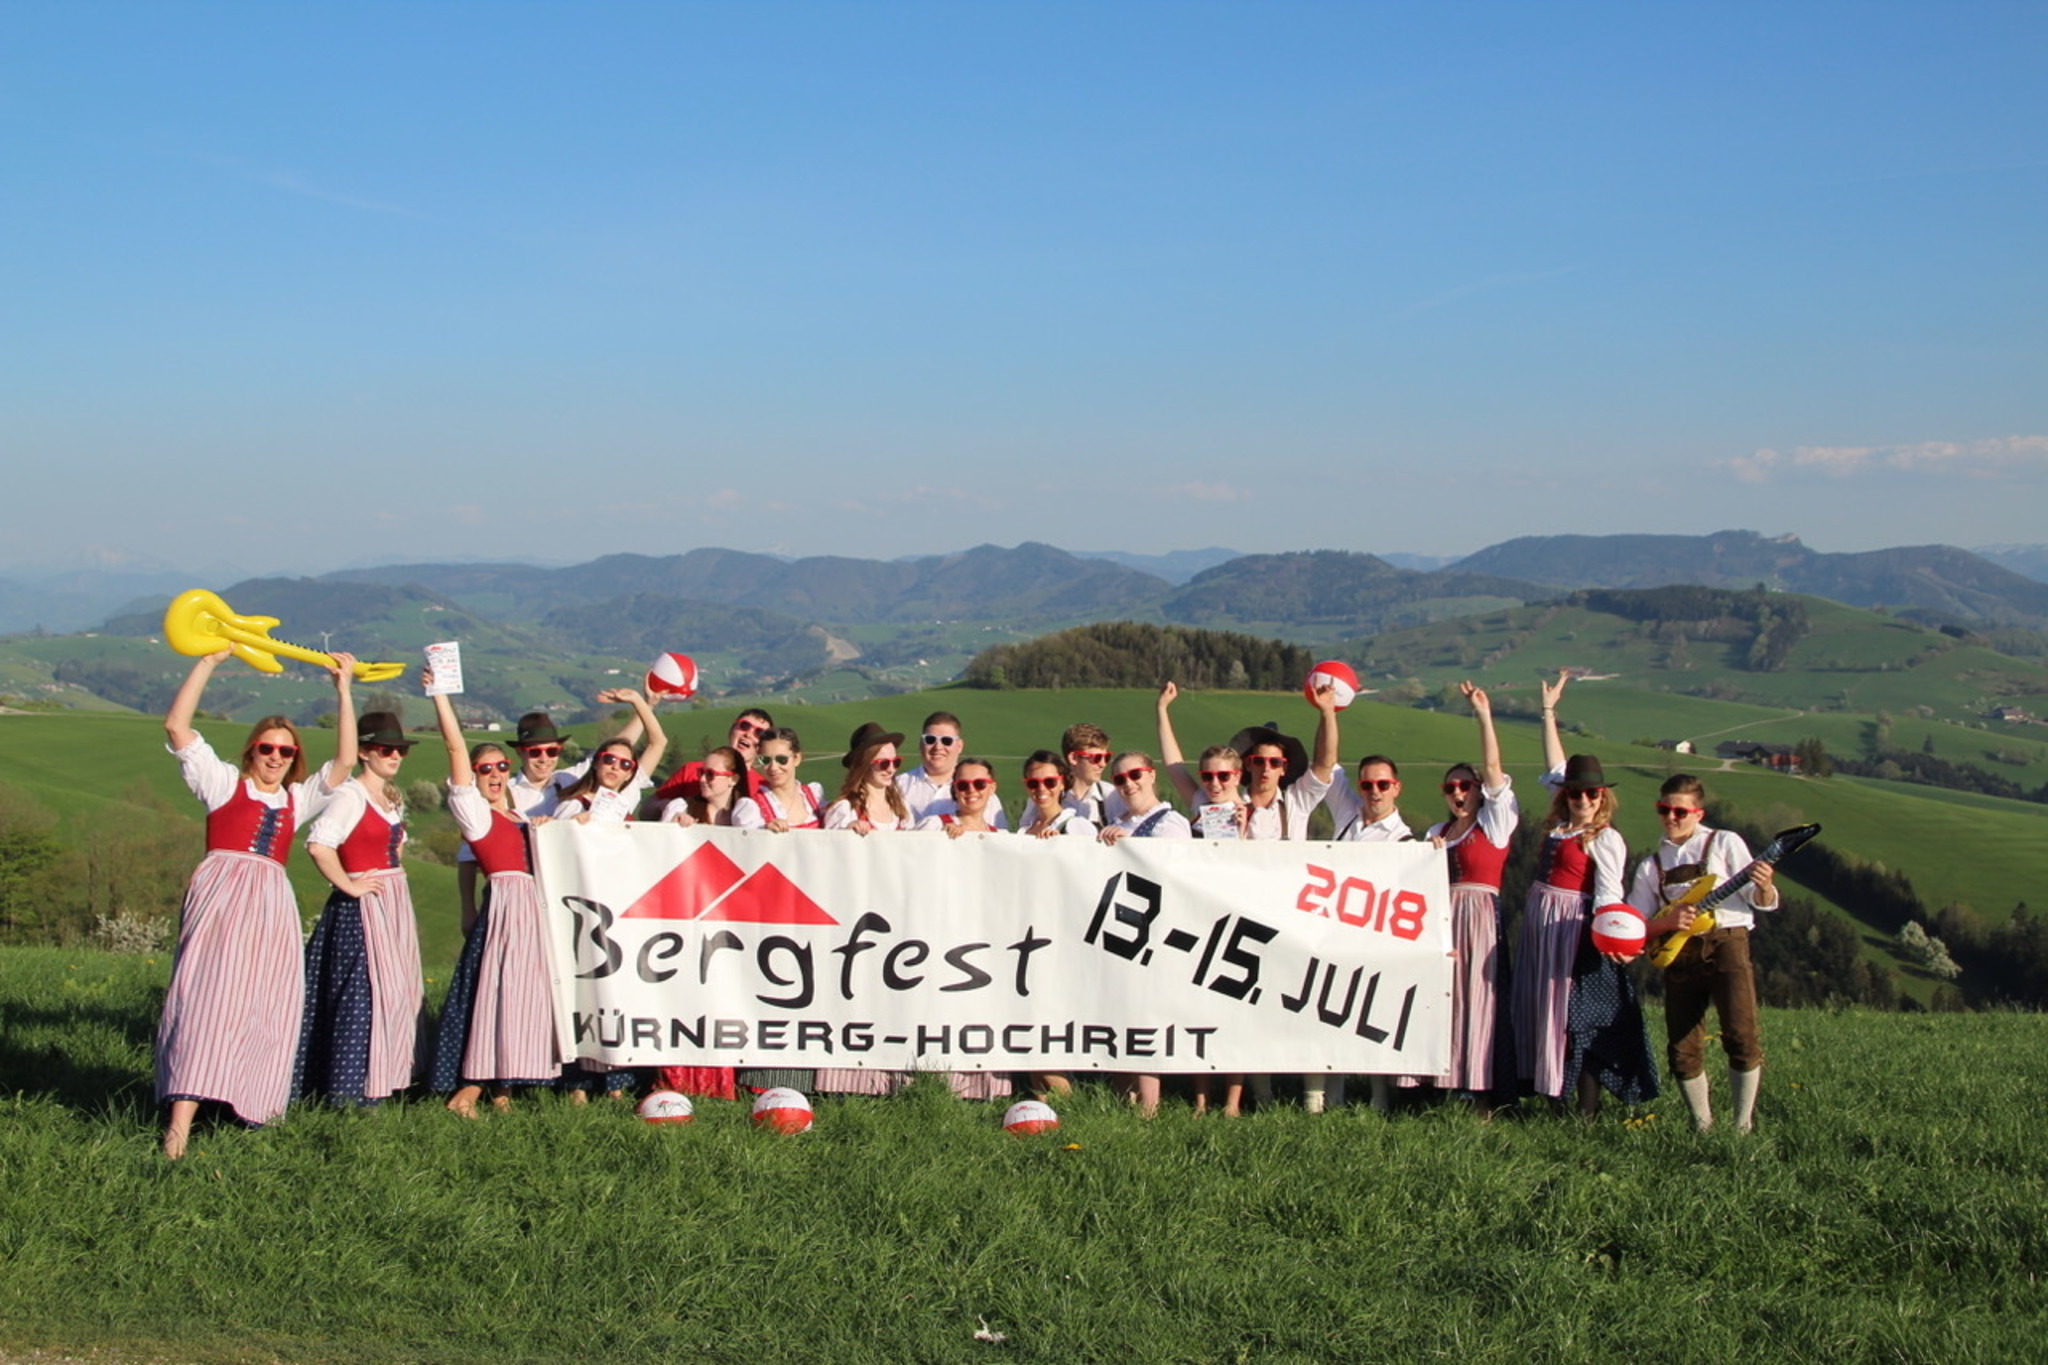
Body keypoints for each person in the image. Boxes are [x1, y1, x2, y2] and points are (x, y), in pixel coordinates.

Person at [156, 650, 360, 1158]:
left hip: (271, 904)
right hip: (223, 896)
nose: (275, 758)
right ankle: (178, 1127)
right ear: (251, 751)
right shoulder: (224, 784)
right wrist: (208, 662)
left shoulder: (295, 800)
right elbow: (178, 727)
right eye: (267, 748)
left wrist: (344, 690)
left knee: (266, 1003)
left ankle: (249, 1106)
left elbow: (346, 762)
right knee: (206, 998)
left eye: (286, 752)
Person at [1509, 672, 1655, 1117]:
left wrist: (1614, 937)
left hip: (1574, 930)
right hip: (1541, 924)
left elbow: (1610, 895)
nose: (1583, 800)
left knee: (1575, 1016)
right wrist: (1549, 712)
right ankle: (1548, 1092)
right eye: (1576, 793)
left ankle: (1582, 1108)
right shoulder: (1562, 823)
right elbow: (1556, 763)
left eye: (1592, 794)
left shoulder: (1604, 839)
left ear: (1602, 797)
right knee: (1540, 1008)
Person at [427, 681, 562, 1118]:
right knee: (492, 992)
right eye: (485, 769)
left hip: (530, 907)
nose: (495, 775)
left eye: (501, 766)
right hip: (505, 903)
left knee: (518, 994)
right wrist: (440, 698)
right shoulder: (477, 815)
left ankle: (502, 1087)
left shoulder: (518, 814)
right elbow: (453, 749)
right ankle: (468, 1091)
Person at [1629, 774, 1779, 1132]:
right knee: (1681, 1046)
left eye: (1680, 811)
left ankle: (1742, 1124)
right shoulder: (1652, 865)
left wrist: (1765, 885)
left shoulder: (1725, 843)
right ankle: (1702, 1124)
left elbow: (1760, 902)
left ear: (1698, 813)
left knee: (1741, 1033)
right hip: (1679, 953)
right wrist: (1665, 925)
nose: (1671, 818)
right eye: (1664, 810)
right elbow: (1636, 920)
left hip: (1727, 942)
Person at [295, 708, 425, 1108]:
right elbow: (319, 844)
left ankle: (383, 1080)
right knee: (362, 995)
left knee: (394, 992)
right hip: (363, 911)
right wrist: (349, 885)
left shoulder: (388, 797)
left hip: (391, 906)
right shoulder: (351, 795)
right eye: (387, 749)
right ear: (366, 752)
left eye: (401, 750)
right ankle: (348, 1092)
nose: (396, 756)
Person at [1415, 682, 1520, 1108]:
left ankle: (1482, 1092)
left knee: (1481, 1002)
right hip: (1441, 918)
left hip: (1479, 917)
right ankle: (1439, 1085)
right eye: (1450, 789)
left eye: (1465, 786)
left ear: (1478, 790)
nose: (1458, 794)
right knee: (1443, 1000)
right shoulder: (1436, 834)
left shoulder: (1494, 825)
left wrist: (1483, 715)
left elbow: (1494, 768)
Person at [1095, 751, 1189, 1118]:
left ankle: (1149, 1107)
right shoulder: (1115, 820)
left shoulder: (1170, 822)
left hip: (1154, 930)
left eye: (1135, 775)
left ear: (1151, 776)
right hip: (1115, 926)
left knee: (1145, 1014)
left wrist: (1131, 844)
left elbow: (1172, 867)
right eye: (1120, 779)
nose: (1129, 783)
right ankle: (1123, 1096)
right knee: (1118, 1011)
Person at [550, 689, 668, 825]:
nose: (615, 767)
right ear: (595, 763)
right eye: (609, 759)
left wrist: (640, 702)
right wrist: (571, 823)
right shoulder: (573, 804)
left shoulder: (628, 793)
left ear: (630, 774)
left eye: (625, 764)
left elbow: (658, 743)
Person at [1156, 681, 1243, 840]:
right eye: (1207, 776)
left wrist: (1243, 834)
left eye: (1223, 776)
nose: (1215, 783)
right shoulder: (1201, 802)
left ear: (1237, 777)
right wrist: (1162, 708)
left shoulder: (1253, 813)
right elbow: (1173, 765)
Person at [898, 711, 1007, 829]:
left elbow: (997, 840)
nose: (938, 747)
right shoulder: (898, 787)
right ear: (920, 744)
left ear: (959, 746)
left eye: (946, 741)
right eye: (930, 740)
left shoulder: (983, 794)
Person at [650, 708, 773, 811]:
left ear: (762, 747)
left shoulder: (763, 789)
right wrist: (672, 808)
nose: (749, 734)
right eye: (744, 726)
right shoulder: (691, 771)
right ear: (731, 731)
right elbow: (648, 809)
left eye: (759, 733)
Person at [824, 722, 913, 833]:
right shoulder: (846, 809)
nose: (891, 769)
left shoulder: (901, 807)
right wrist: (847, 831)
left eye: (896, 762)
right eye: (883, 763)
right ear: (864, 766)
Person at [733, 727, 825, 830]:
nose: (773, 767)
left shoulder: (815, 797)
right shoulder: (753, 808)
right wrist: (763, 831)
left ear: (797, 759)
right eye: (765, 760)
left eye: (781, 759)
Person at [1014, 751, 1097, 840]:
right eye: (1033, 783)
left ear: (1062, 783)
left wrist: (1061, 843)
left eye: (1050, 782)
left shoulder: (1076, 826)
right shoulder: (1026, 826)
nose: (1041, 788)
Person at [1059, 722, 1126, 827]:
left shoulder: (1111, 795)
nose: (1103, 764)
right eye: (1096, 758)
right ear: (1074, 758)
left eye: (1107, 757)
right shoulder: (1051, 794)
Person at [661, 745, 745, 826]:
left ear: (733, 779)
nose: (702, 779)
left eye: (710, 774)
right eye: (701, 772)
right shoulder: (681, 808)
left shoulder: (744, 814)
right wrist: (674, 825)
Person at [917, 756, 1001, 836]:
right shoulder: (934, 826)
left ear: (992, 788)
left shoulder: (999, 836)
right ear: (955, 789)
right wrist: (940, 837)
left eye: (980, 784)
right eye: (963, 785)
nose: (971, 790)